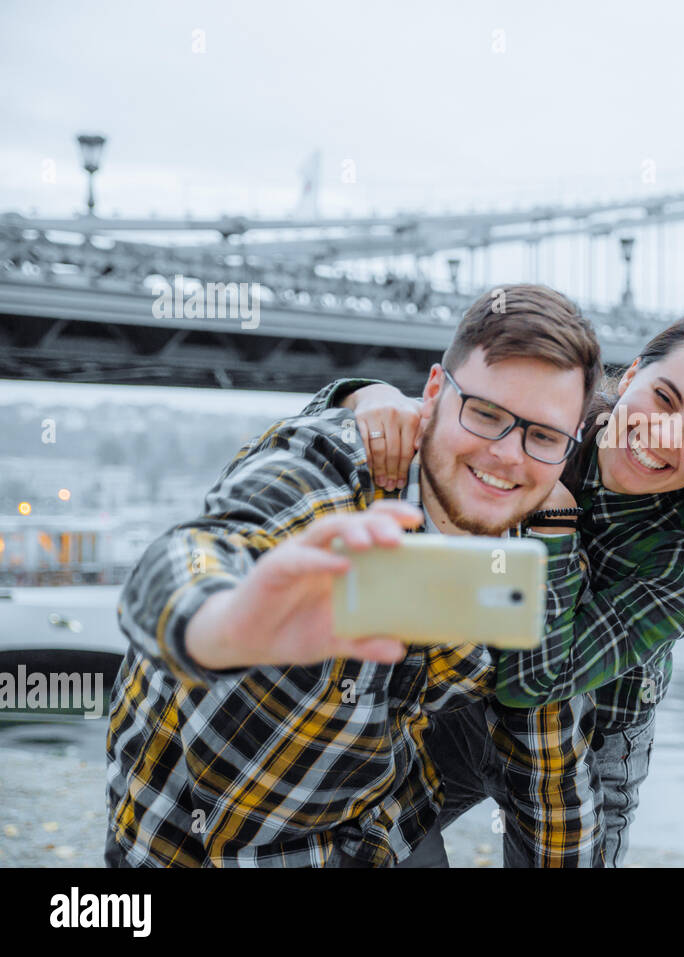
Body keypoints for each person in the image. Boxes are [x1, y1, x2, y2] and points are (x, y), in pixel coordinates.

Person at [104, 283, 606, 867]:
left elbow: (551, 763)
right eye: (486, 414)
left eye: (542, 436)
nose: (508, 455)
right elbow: (190, 556)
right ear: (436, 392)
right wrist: (225, 625)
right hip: (186, 841)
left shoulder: (531, 561)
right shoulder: (336, 468)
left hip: (374, 832)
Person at [311, 305, 684, 865]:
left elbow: (538, 682)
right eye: (663, 398)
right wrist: (366, 397)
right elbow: (447, 425)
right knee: (368, 838)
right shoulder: (558, 423)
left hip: (592, 741)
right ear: (629, 376)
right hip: (464, 694)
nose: (663, 434)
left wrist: (553, 524)